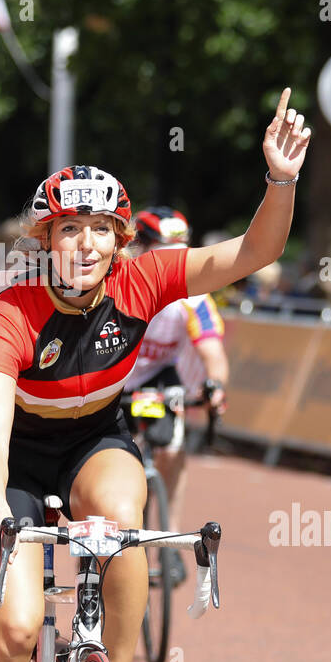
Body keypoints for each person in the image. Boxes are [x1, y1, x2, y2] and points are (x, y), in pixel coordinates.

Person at [0, 89, 310, 662]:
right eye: (69, 228)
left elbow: (257, 251)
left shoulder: (145, 279)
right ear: (44, 239)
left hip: (94, 442)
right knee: (17, 631)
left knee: (121, 521)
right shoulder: (9, 313)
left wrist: (280, 182)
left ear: (121, 239)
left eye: (101, 229)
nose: (86, 243)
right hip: (14, 462)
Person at [122, 207, 229, 561]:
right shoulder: (117, 283)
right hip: (111, 379)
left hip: (156, 378)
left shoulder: (193, 298)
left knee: (170, 450)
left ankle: (169, 540)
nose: (173, 265)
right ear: (139, 248)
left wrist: (215, 388)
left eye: (180, 254)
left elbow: (213, 354)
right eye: (164, 254)